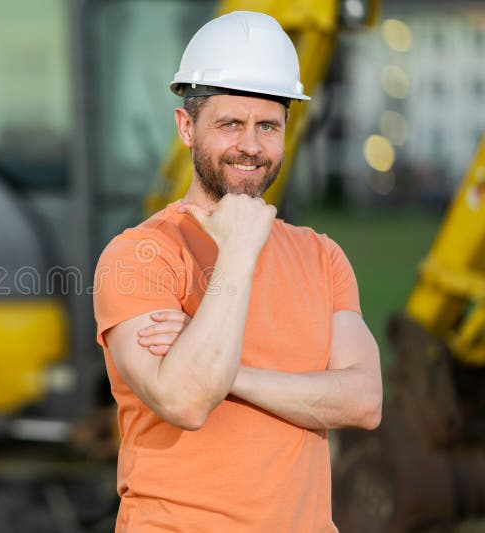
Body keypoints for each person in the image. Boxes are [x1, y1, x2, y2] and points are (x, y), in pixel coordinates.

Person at [92, 11, 382, 532]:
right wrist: (239, 253)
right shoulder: (139, 256)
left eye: (267, 126)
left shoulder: (323, 257)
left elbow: (363, 401)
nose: (251, 145)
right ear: (186, 127)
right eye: (230, 124)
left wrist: (234, 375)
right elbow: (185, 398)